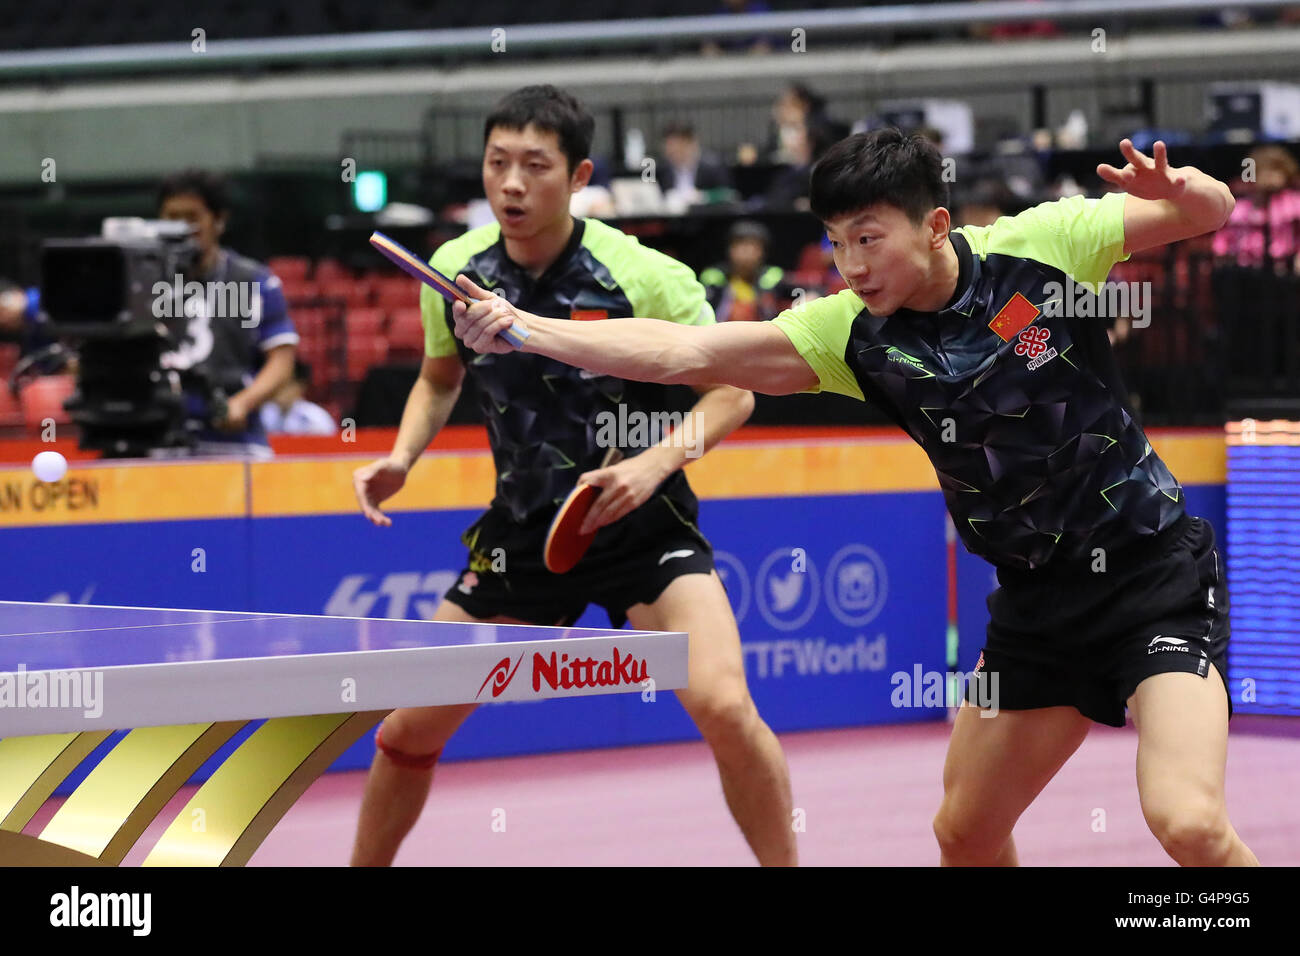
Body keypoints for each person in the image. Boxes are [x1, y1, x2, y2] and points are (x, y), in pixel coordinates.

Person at [451, 128, 1260, 867]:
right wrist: (526, 327)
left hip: (1152, 578)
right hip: (1034, 609)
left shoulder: (1041, 246)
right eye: (837, 245)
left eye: (869, 239)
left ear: (935, 225)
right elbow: (682, 351)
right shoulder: (848, 333)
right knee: (964, 832)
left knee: (1185, 823)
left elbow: (1212, 211)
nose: (853, 265)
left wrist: (1181, 187)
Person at [349, 85, 797, 867]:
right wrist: (402, 456)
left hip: (646, 527)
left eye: (535, 166)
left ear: (579, 173)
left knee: (725, 706)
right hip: (524, 534)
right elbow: (439, 378)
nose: (512, 184)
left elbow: (734, 393)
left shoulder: (642, 274)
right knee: (404, 733)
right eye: (497, 164)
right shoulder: (456, 269)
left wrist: (657, 463)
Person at [157, 169, 298, 457]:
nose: (182, 228)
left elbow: (282, 360)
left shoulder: (255, 281)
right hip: (158, 440)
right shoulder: (142, 282)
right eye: (171, 218)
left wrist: (243, 403)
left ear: (218, 221)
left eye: (192, 217)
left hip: (235, 441)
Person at [1212, 144, 1300, 272]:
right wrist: (1221, 250)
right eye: (1264, 171)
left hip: (1284, 268)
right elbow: (1224, 236)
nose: (1270, 177)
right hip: (1245, 269)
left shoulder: (1293, 203)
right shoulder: (1241, 207)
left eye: (1276, 170)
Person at [699, 220, 791, 321]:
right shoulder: (713, 276)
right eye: (741, 246)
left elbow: (798, 294)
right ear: (730, 249)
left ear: (763, 251)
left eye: (753, 246)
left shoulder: (772, 275)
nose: (747, 253)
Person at [657, 122, 733, 210]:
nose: (673, 151)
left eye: (678, 146)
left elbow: (728, 194)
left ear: (691, 144)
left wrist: (703, 197)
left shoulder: (712, 166)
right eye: (669, 147)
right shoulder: (664, 170)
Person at [260, 359, 336, 435]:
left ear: (300, 386)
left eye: (285, 384)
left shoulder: (316, 418)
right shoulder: (261, 415)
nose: (279, 389)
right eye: (277, 383)